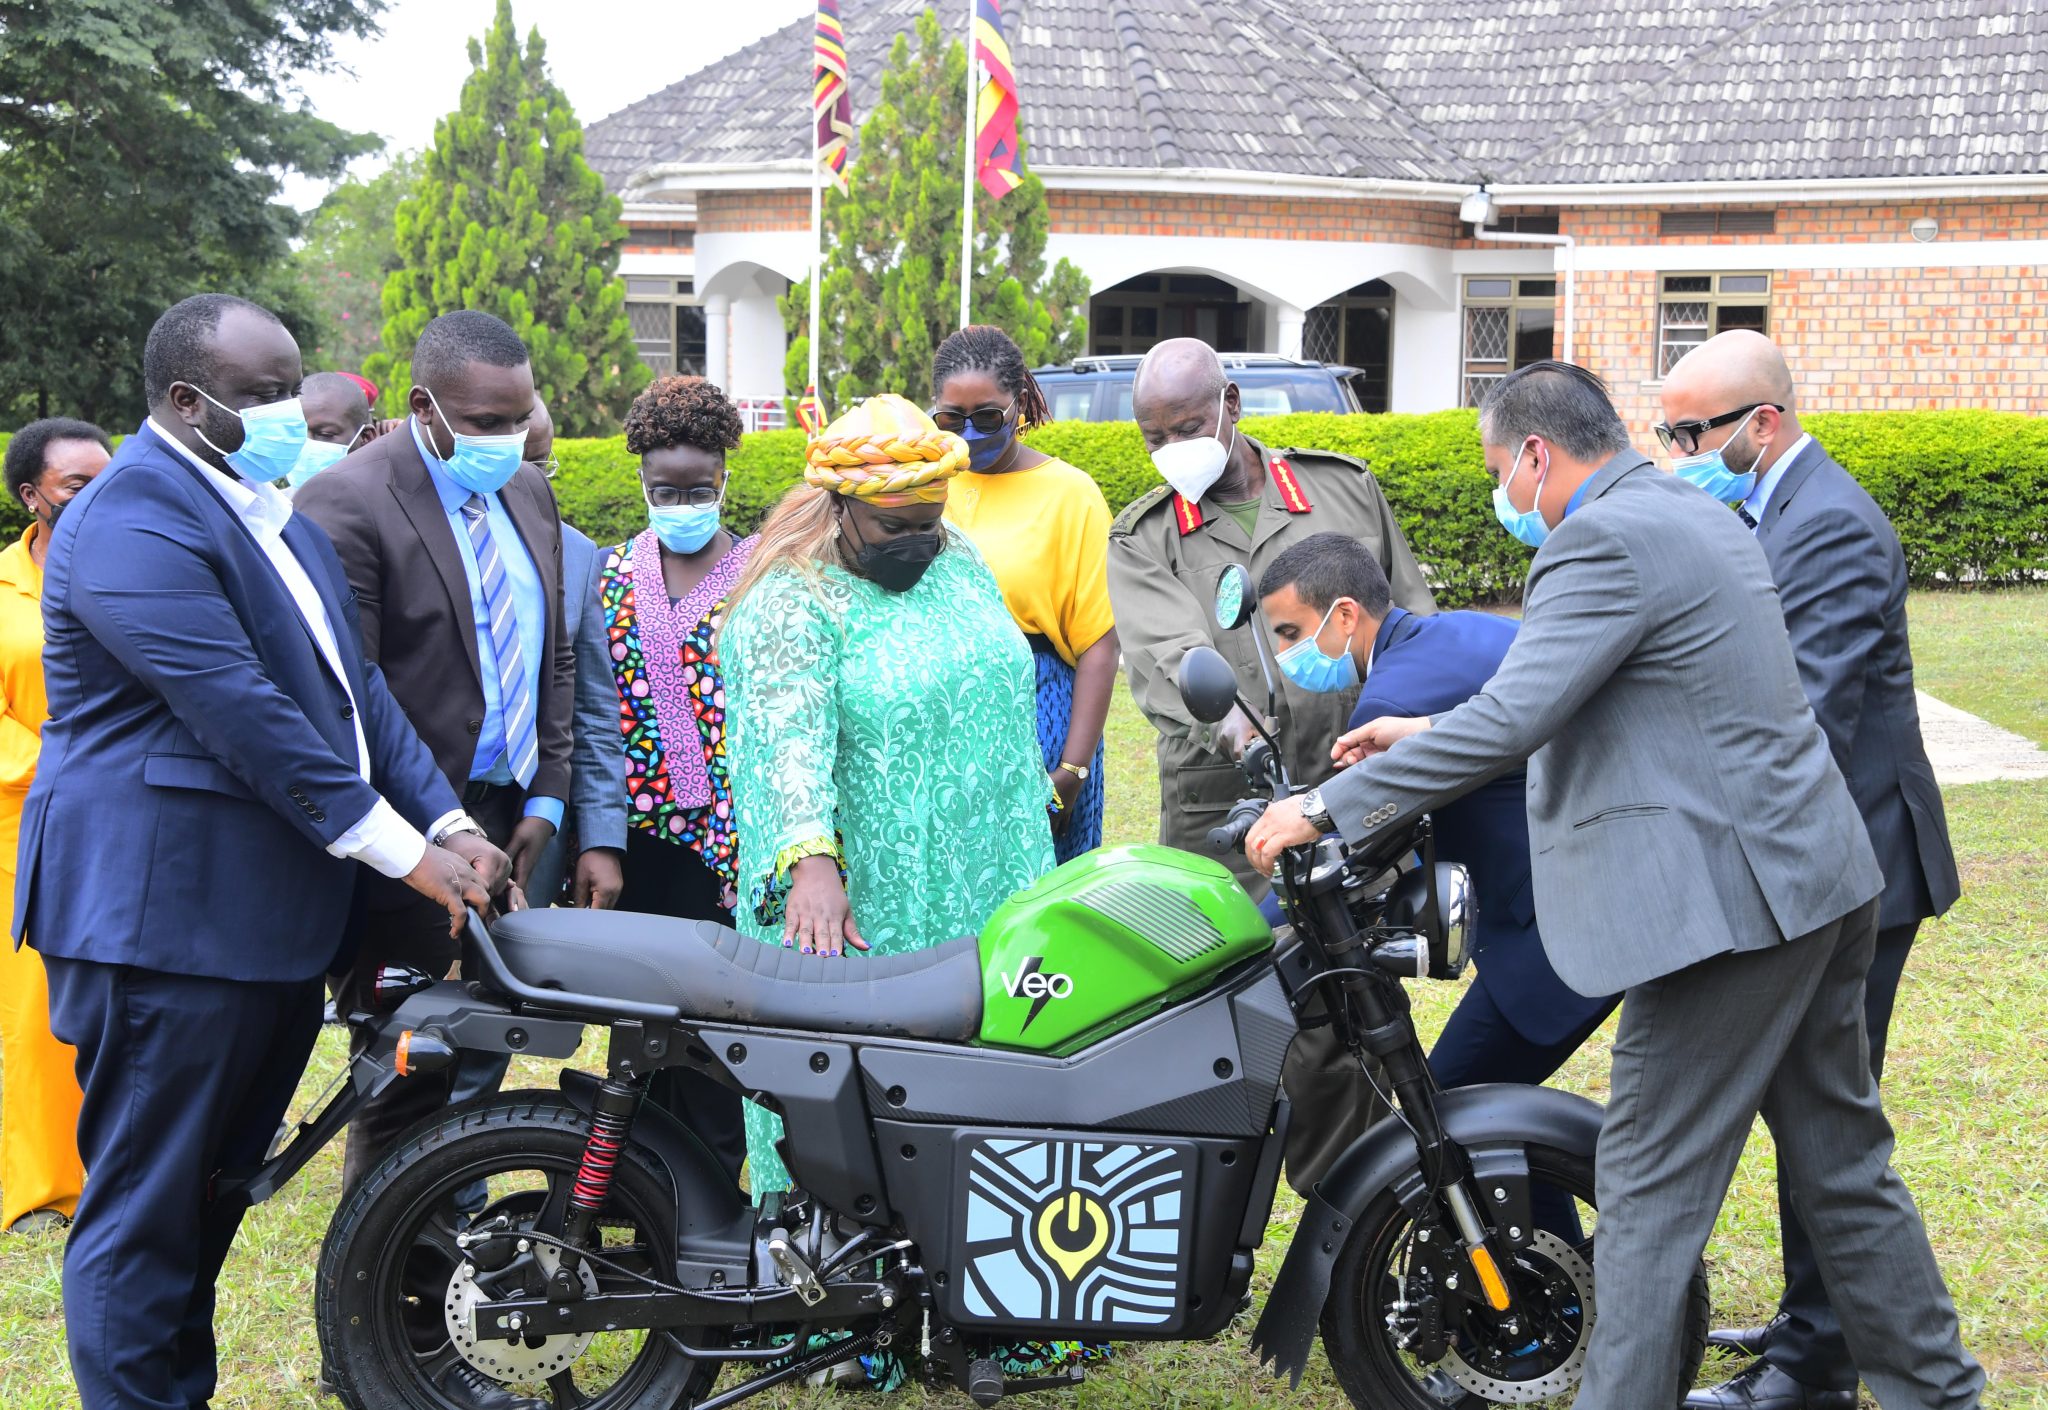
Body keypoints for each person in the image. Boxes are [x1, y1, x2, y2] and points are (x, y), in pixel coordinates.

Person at [1245, 362, 1983, 1410]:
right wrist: (1422, 732)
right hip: (1817, 879)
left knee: (1642, 1186)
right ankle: (1938, 1392)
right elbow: (1611, 702)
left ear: (1537, 456)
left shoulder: (1594, 540)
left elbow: (1515, 716)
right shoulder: (1691, 517)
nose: (1504, 494)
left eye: (1501, 470)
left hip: (1725, 911)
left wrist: (1319, 807)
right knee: (1841, 1167)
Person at [17, 293, 503, 1410]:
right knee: (146, 1214)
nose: (288, 409)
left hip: (261, 926)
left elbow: (352, 694)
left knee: (209, 1201)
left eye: (292, 384)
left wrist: (449, 822)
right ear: (186, 402)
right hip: (163, 927)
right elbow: (243, 712)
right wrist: (401, 856)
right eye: (260, 393)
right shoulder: (135, 519)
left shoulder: (265, 507)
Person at [1661, 331, 1964, 1410]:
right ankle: (1808, 1326)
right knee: (1810, 1108)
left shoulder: (1827, 522)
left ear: (1761, 423)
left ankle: (1814, 1366)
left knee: (1826, 1120)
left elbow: (1811, 716)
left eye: (1687, 431)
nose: (1674, 449)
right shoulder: (1771, 507)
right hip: (1821, 859)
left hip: (1859, 866)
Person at [721, 394, 1053, 1191]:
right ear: (841, 509)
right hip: (873, 896)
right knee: (868, 1088)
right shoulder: (791, 598)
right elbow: (783, 740)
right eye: (895, 527)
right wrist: (810, 865)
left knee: (995, 1076)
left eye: (929, 521)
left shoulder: (957, 556)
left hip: (990, 874)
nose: (919, 542)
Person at [295, 309, 574, 1203]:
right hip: (412, 835)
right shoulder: (348, 502)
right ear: (425, 407)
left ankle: (451, 1261)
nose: (508, 439)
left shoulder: (527, 489)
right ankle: (390, 1311)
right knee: (407, 1071)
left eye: (521, 417)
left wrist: (547, 800)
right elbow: (353, 692)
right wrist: (436, 829)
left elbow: (553, 659)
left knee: (487, 1050)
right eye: (486, 422)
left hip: (510, 817)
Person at [1253, 532, 1616, 1194]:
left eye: (1288, 632)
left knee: (1445, 1119)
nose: (1284, 656)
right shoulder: (1462, 633)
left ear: (1342, 616)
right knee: (1480, 1117)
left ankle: (1535, 1287)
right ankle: (1546, 1271)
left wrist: (1250, 933)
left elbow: (1343, 842)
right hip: (1586, 890)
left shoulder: (1395, 694)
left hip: (1561, 934)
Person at [1109, 337, 1434, 895]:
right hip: (1228, 806)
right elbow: (1176, 659)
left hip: (1355, 777)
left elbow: (1414, 630)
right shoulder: (1143, 538)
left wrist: (1412, 734)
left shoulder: (1344, 491)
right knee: (1239, 968)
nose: (1172, 447)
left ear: (1231, 403)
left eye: (1187, 428)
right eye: (1154, 437)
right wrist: (1248, 742)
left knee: (1369, 960)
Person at [593, 374, 760, 1181]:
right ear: (642, 482)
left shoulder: (767, 573)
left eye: (698, 487)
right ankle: (645, 1187)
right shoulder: (609, 574)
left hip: (735, 839)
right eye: (665, 489)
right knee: (645, 1017)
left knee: (723, 1020)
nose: (682, 500)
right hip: (640, 837)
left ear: (725, 478)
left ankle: (723, 1180)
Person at [933, 326, 1117, 862]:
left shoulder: (1070, 493)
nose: (969, 431)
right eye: (950, 418)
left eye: (988, 416)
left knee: (1037, 894)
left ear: (1021, 404)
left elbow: (1099, 644)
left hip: (1037, 713)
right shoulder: (926, 483)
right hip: (943, 710)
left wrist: (1073, 769)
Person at [0, 418, 111, 1236]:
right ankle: (43, 1185)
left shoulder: (133, 566)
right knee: (37, 1006)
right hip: (25, 822)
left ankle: (115, 1160)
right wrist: (60, 758)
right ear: (32, 496)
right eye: (77, 484)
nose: (95, 494)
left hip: (126, 816)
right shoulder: (2, 593)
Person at [514, 395, 628, 913]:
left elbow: (594, 710)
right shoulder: (414, 539)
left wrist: (602, 838)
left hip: (537, 825)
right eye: (515, 460)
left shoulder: (578, 555)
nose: (526, 480)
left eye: (541, 465)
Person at [288, 369, 376, 490]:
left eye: (325, 434)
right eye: (295, 432)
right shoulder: (271, 505)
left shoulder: (389, 503)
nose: (305, 446)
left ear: (366, 437)